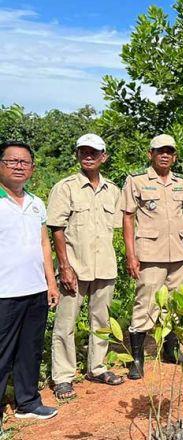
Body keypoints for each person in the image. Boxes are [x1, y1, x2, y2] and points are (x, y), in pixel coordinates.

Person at [47, 134, 124, 401]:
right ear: (77, 155)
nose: (88, 156)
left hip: (105, 266)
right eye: (83, 151)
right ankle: (63, 376)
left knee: (101, 321)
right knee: (65, 323)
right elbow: (56, 228)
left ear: (104, 156)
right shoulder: (65, 188)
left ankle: (97, 367)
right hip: (75, 267)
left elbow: (116, 227)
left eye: (94, 152)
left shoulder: (113, 190)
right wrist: (65, 266)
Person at [121, 134, 183, 379]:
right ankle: (137, 360)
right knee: (146, 304)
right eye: (160, 151)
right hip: (150, 254)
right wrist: (131, 255)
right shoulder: (136, 180)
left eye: (169, 151)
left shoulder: (182, 183)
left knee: (176, 304)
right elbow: (128, 218)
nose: (164, 155)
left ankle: (171, 350)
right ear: (150, 154)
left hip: (178, 254)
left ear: (174, 157)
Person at [0, 141, 59, 421]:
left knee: (30, 350)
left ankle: (28, 402)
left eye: (24, 162)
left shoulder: (37, 203)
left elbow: (44, 244)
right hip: (4, 292)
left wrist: (51, 282)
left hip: (35, 289)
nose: (19, 166)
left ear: (33, 168)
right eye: (12, 161)